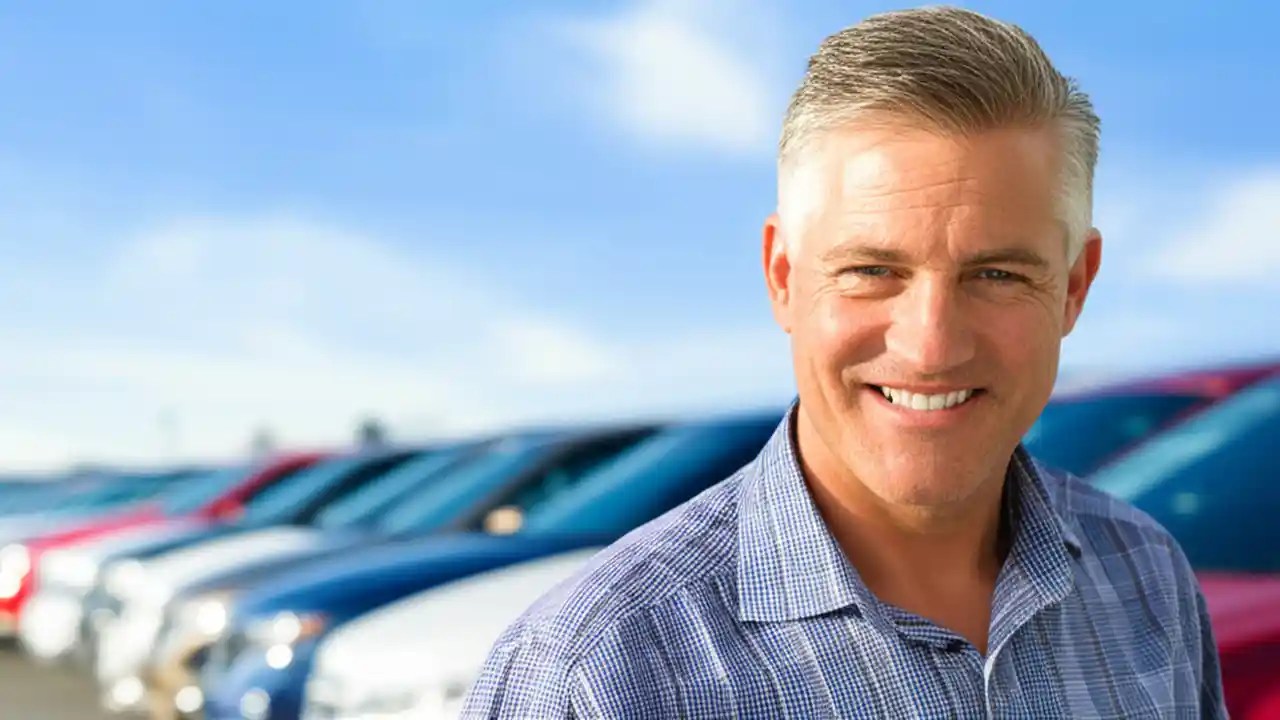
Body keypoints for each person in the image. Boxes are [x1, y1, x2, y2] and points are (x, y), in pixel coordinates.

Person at [461, 6, 1228, 718]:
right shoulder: (596, 674)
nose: (931, 346)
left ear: (1073, 287)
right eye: (871, 271)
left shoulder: (1146, 577)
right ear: (784, 278)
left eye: (996, 275)